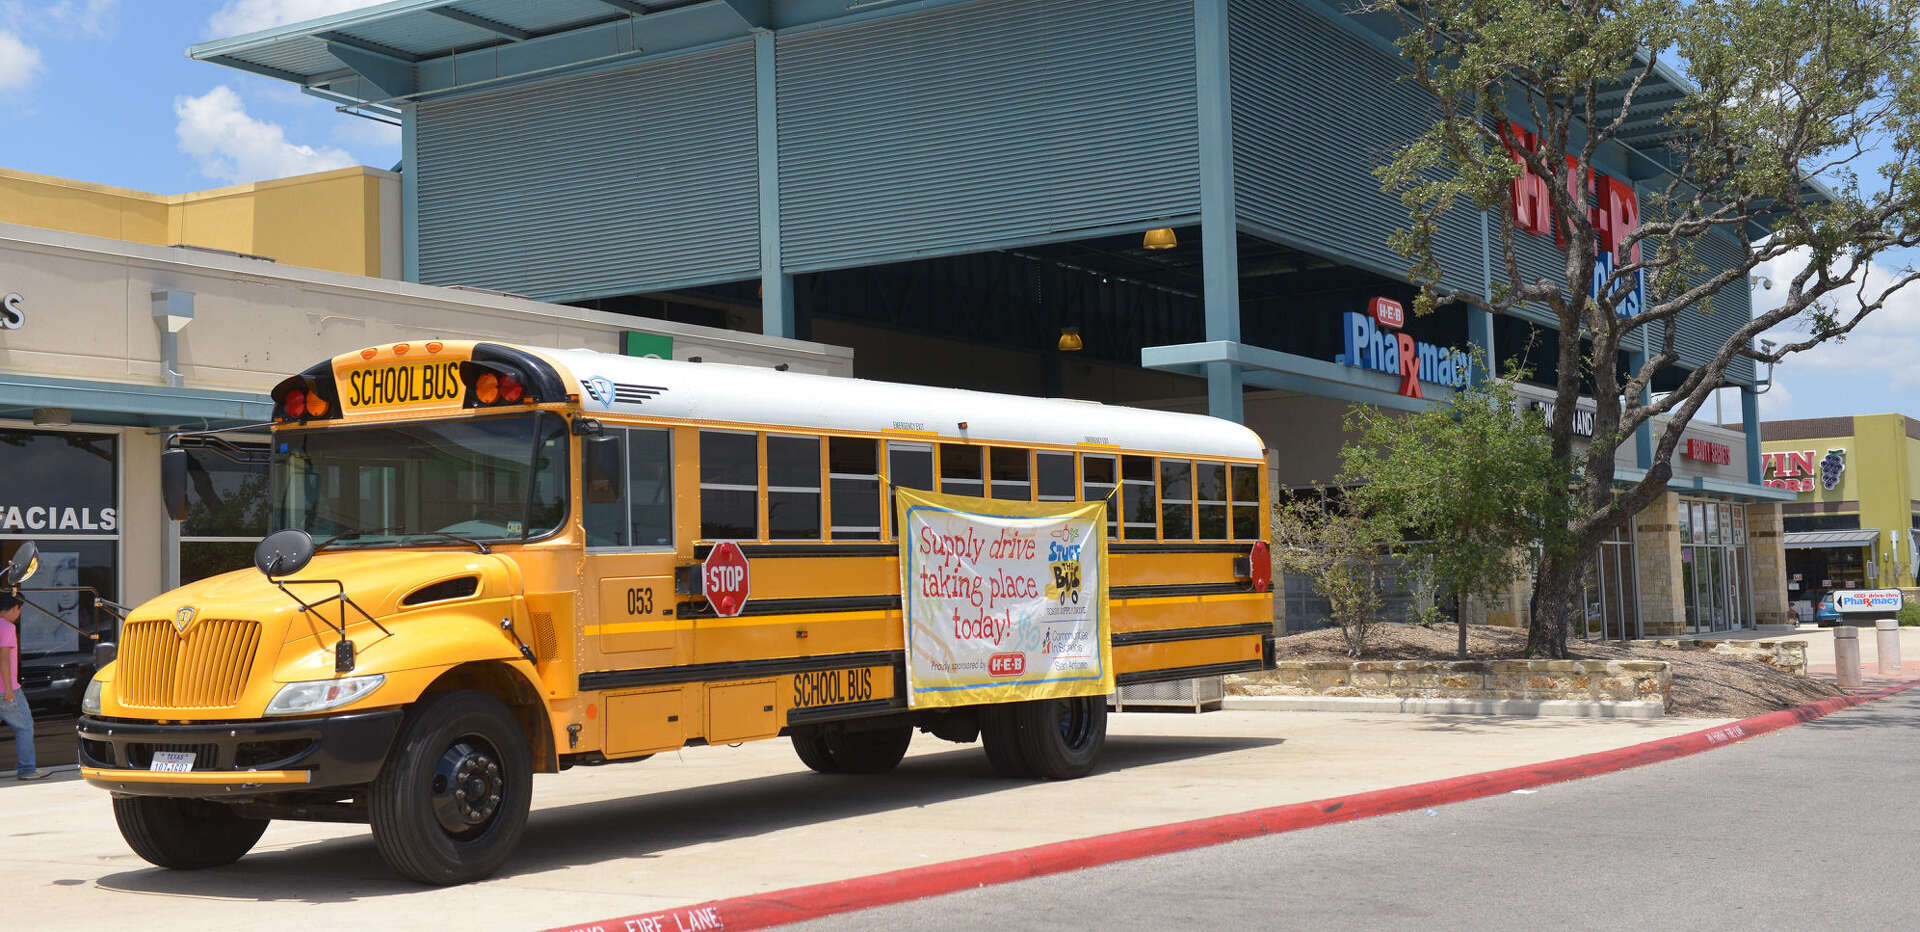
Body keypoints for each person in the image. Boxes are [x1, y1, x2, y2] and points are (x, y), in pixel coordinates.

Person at [0, 593, 45, 780]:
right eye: (19, 611)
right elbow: (3, 659)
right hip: (5, 689)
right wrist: (9, 689)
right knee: (24, 727)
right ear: (13, 609)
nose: (18, 615)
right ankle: (27, 769)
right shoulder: (7, 627)